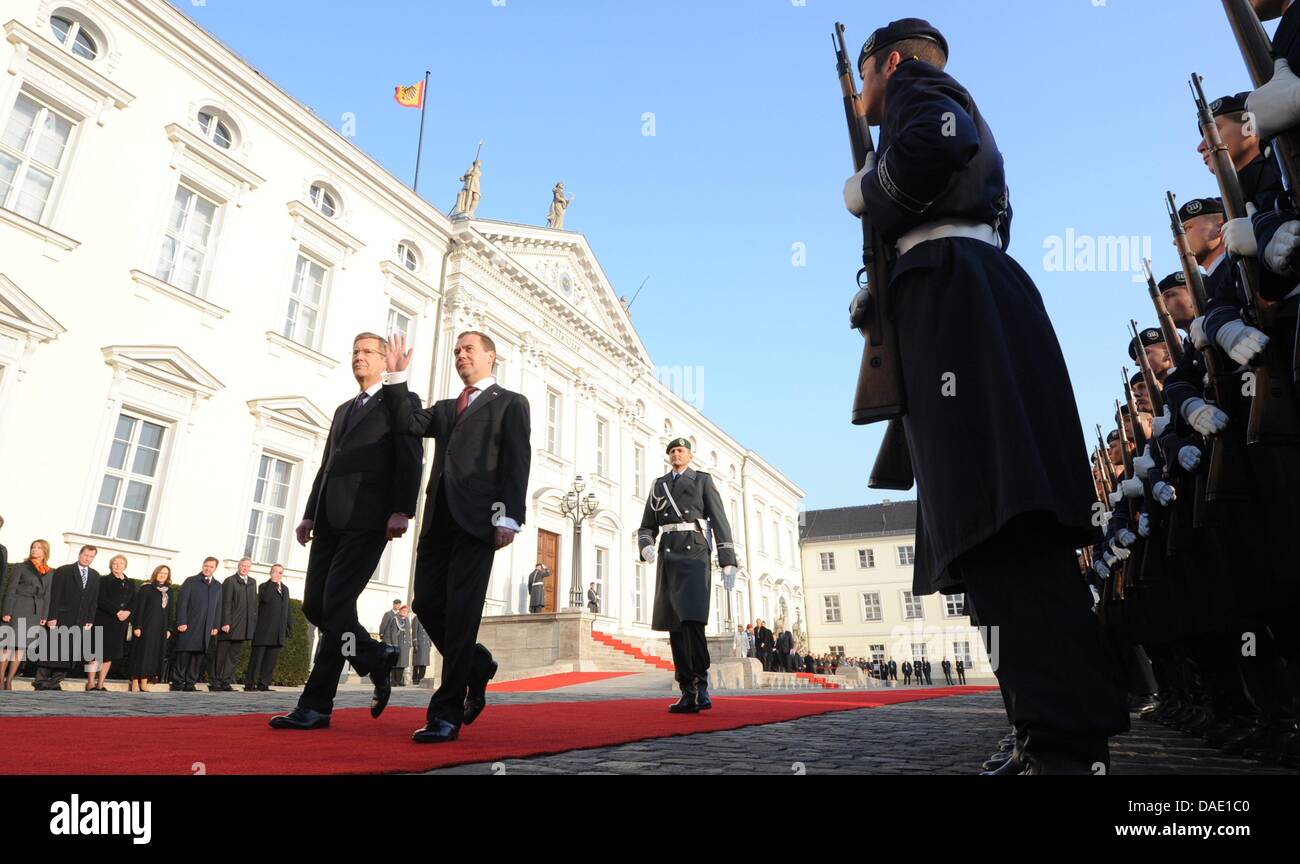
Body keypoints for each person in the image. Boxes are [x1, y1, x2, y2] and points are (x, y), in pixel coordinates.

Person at [841, 17, 1127, 772]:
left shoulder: (919, 88)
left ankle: (1065, 738)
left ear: (890, 63)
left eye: (868, 73)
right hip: (954, 299)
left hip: (959, 308)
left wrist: (866, 188)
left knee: (1003, 522)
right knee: (989, 533)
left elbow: (939, 138)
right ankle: (1048, 729)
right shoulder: (930, 100)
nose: (867, 90)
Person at [381, 329, 532, 743]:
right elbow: (407, 423)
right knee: (427, 602)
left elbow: (517, 462)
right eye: (457, 351)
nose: (461, 355)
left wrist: (509, 517)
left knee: (463, 613)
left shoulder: (511, 404)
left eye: (469, 349)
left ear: (490, 356)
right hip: (438, 520)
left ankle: (444, 714)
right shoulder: (448, 408)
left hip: (479, 521)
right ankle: (478, 664)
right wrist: (396, 378)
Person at [271, 332, 422, 731]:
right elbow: (326, 465)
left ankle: (315, 705)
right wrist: (308, 514)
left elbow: (410, 458)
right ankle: (375, 656)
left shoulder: (400, 402)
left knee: (336, 605)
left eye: (367, 352)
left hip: (368, 519)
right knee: (318, 607)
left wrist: (402, 509)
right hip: (329, 520)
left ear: (385, 360)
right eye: (354, 351)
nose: (359, 358)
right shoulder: (342, 409)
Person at [637, 437, 737, 714]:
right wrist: (645, 545)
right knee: (675, 626)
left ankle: (701, 686)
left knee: (692, 622)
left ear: (690, 456)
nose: (675, 454)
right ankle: (686, 691)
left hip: (695, 555)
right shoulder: (658, 485)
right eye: (671, 451)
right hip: (668, 555)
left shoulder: (702, 480)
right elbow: (646, 524)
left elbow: (719, 520)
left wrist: (727, 560)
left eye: (680, 450)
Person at [33, 545, 100, 691]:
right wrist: (52, 616)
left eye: (91, 556)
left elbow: (93, 600)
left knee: (69, 652)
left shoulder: (95, 575)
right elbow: (55, 595)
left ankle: (55, 682)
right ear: (80, 554)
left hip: (80, 620)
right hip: (61, 617)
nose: (87, 558)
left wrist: (89, 620)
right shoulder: (64, 570)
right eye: (85, 555)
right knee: (51, 649)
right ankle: (40, 681)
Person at [1, 539, 53, 689]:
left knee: (21, 647)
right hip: (18, 608)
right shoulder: (21, 567)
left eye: (38, 548)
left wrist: (44, 616)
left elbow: (47, 595)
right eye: (33, 547)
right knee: (7, 646)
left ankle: (9, 680)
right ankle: (0, 680)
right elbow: (10, 590)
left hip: (34, 613)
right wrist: (7, 611)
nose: (34, 550)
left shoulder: (49, 572)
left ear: (45, 551)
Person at [172, 558, 222, 692]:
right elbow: (182, 603)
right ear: (202, 566)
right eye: (206, 566)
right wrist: (181, 621)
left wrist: (215, 625)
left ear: (215, 569)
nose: (208, 569)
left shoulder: (217, 585)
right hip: (190, 625)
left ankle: (190, 684)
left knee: (197, 656)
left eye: (211, 567)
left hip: (206, 628)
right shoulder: (191, 581)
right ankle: (177, 683)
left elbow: (218, 607)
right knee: (184, 654)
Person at [87, 554, 134, 691]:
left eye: (121, 563)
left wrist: (128, 612)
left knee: (109, 654)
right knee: (94, 652)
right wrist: (117, 612)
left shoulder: (130, 582)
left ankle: (101, 683)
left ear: (125, 566)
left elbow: (133, 600)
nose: (118, 565)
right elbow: (100, 599)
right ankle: (90, 682)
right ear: (111, 565)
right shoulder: (104, 580)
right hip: (104, 620)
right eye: (115, 563)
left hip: (119, 624)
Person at [213, 558, 257, 692]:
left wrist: (251, 625)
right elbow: (225, 603)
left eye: (247, 566)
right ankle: (215, 682)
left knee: (233, 656)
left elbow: (253, 605)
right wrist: (225, 622)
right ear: (238, 566)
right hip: (229, 626)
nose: (245, 568)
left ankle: (225, 682)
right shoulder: (230, 581)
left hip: (243, 627)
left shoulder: (252, 582)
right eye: (243, 565)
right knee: (221, 655)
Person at [247, 564, 291, 691]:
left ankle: (264, 683)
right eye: (275, 572)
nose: (278, 575)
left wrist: (289, 626)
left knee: (271, 660)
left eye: (280, 573)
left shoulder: (285, 589)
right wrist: (272, 583)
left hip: (278, 632)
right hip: (264, 630)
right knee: (257, 658)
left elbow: (287, 609)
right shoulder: (264, 586)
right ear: (270, 573)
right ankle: (251, 683)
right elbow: (265, 599)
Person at [129, 565, 172, 692]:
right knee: (142, 654)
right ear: (155, 573)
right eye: (160, 572)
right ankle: (135, 680)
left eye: (165, 573)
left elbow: (169, 611)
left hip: (160, 628)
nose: (162, 575)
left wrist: (168, 629)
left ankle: (144, 681)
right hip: (146, 626)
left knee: (153, 655)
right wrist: (137, 626)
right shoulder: (146, 588)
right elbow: (139, 608)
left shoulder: (168, 591)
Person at [411, 611, 431, 685]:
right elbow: (414, 632)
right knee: (417, 662)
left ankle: (421, 678)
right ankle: (415, 679)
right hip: (419, 643)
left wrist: (430, 643)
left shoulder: (428, 619)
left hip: (426, 644)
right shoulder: (416, 619)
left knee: (424, 663)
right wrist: (415, 643)